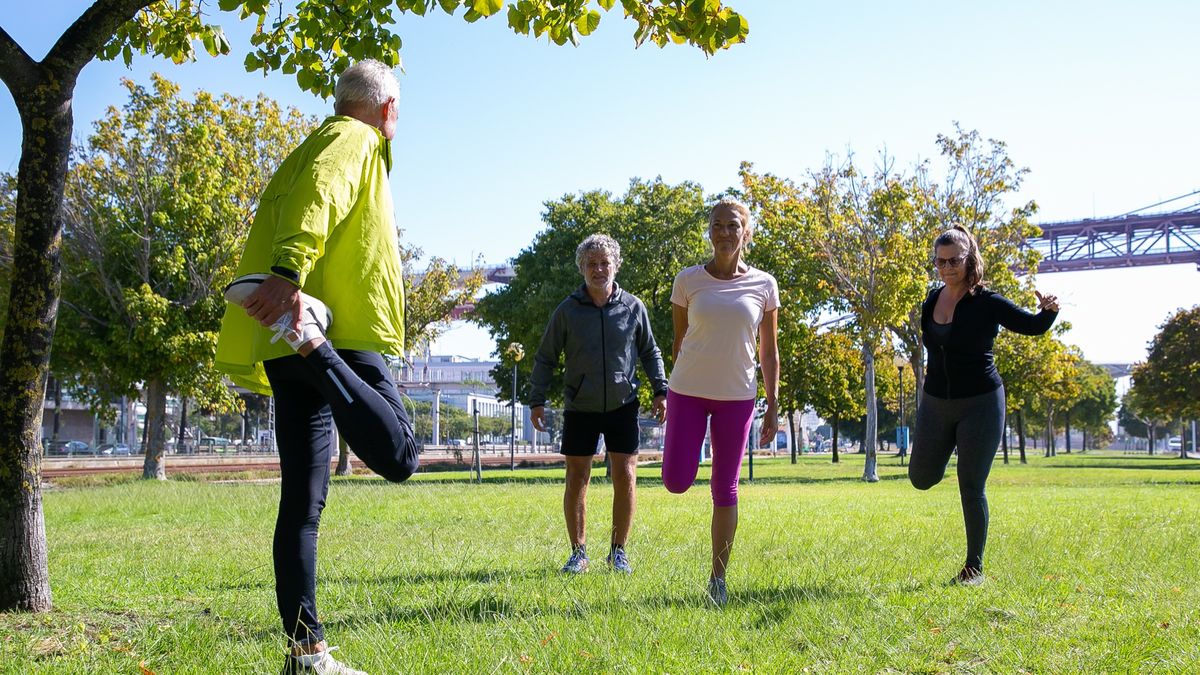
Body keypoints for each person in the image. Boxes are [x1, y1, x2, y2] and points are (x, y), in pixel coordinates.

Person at [215, 59, 419, 675]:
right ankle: (315, 344)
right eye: (399, 113)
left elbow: (304, 196)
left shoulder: (305, 147)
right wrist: (289, 274)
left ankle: (307, 655)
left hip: (286, 343)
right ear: (387, 110)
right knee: (401, 455)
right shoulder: (351, 138)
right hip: (333, 334)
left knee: (301, 505)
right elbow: (320, 197)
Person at [908, 225, 1059, 587]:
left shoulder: (987, 302)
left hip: (980, 403)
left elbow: (1033, 326)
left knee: (971, 485)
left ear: (969, 258)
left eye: (954, 261)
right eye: (940, 261)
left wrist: (1049, 311)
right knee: (921, 478)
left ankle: (973, 568)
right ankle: (949, 450)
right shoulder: (932, 299)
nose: (946, 268)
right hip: (935, 401)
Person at [661, 198, 779, 607]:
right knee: (676, 480)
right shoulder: (687, 281)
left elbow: (769, 352)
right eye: (718, 225)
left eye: (733, 225)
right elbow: (679, 342)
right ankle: (684, 459)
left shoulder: (764, 284)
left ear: (746, 232)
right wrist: (681, 388)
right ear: (709, 231)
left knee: (725, 487)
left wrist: (773, 401)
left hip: (737, 396)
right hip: (688, 391)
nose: (725, 232)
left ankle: (718, 579)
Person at [527, 234, 668, 575]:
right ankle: (578, 553)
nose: (599, 269)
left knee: (626, 475)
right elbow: (546, 357)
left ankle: (619, 552)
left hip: (623, 404)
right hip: (580, 406)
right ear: (582, 269)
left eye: (605, 263)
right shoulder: (567, 310)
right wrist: (537, 400)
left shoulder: (633, 307)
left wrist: (661, 390)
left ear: (615, 265)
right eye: (592, 264)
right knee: (577, 478)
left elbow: (650, 352)